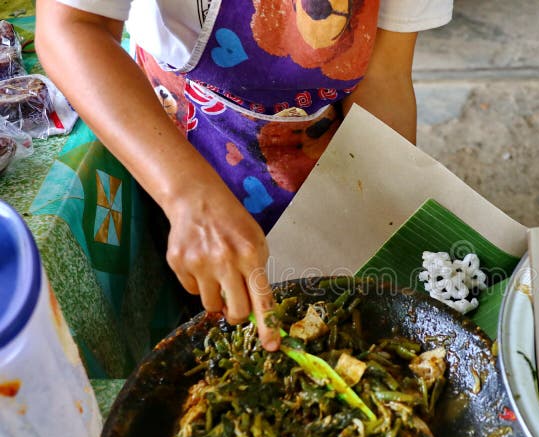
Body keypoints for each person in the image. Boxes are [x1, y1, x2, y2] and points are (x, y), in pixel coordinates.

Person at [35, 0, 453, 351]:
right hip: (181, 149)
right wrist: (188, 197)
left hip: (323, 153)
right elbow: (71, 26)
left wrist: (386, 217)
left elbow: (384, 75)